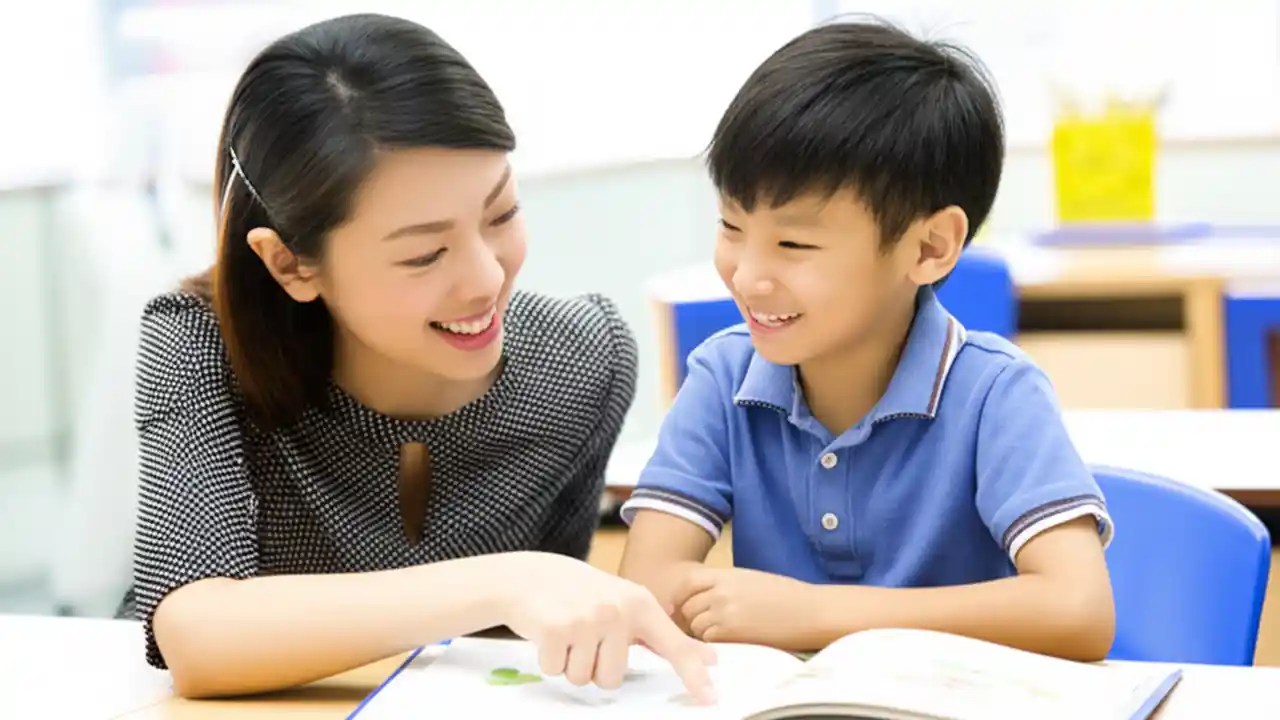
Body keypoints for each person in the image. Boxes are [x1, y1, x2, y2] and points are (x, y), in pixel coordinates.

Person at [126, 13, 714, 702]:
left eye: (501, 214)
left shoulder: (586, 360)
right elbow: (194, 635)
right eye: (424, 253)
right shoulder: (199, 342)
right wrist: (504, 580)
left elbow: (535, 652)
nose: (487, 278)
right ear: (288, 262)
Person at [618, 19, 1116, 661]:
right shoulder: (722, 377)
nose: (746, 275)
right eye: (731, 227)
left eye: (793, 244)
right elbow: (646, 589)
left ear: (930, 247)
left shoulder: (995, 392)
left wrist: (818, 613)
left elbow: (1078, 611)